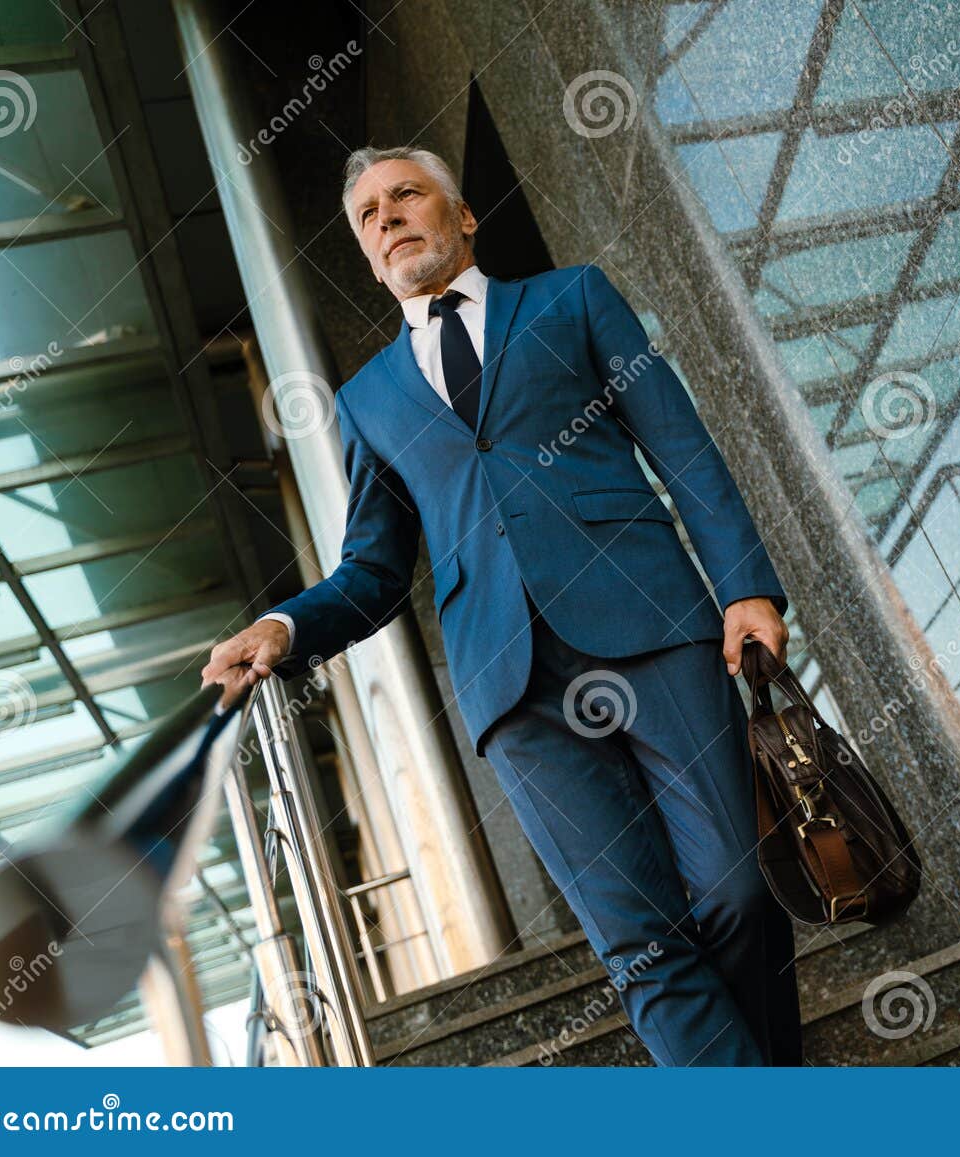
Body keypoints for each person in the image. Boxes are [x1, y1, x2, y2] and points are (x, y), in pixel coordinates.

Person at [200, 145, 802, 1066]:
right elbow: (372, 571)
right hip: (512, 690)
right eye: (367, 215)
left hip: (651, 626)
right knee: (639, 947)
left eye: (406, 195)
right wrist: (284, 627)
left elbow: (680, 445)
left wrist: (744, 587)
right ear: (368, 257)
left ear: (464, 215)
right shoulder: (366, 400)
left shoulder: (573, 299)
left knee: (741, 890)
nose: (387, 218)